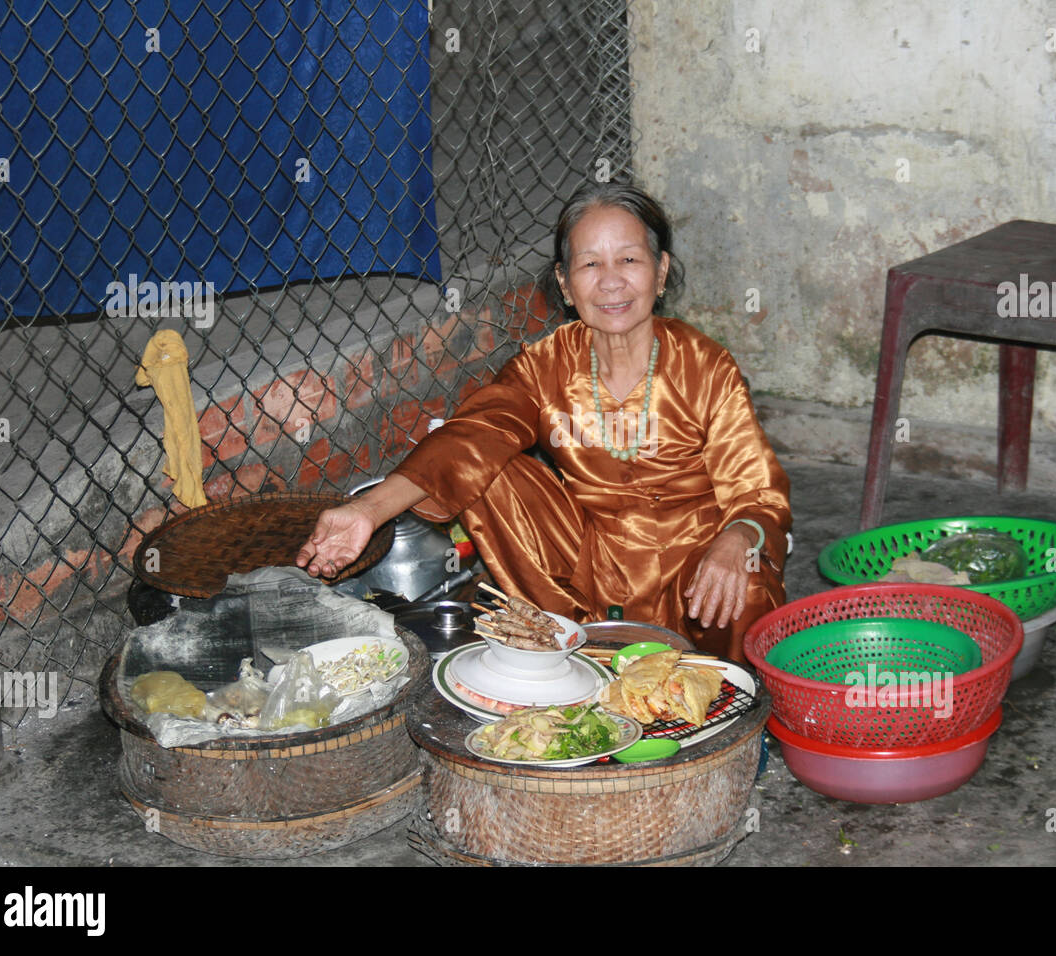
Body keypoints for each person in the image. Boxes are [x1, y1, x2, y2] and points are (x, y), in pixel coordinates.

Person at [296, 181, 791, 661]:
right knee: (489, 468)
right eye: (590, 264)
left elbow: (758, 491)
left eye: (630, 260)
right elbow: (475, 435)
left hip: (696, 558)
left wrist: (737, 538)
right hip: (591, 560)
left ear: (660, 273)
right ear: (565, 284)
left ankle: (731, 698)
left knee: (742, 571)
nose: (611, 280)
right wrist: (369, 511)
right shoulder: (544, 364)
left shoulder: (706, 366)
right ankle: (572, 643)